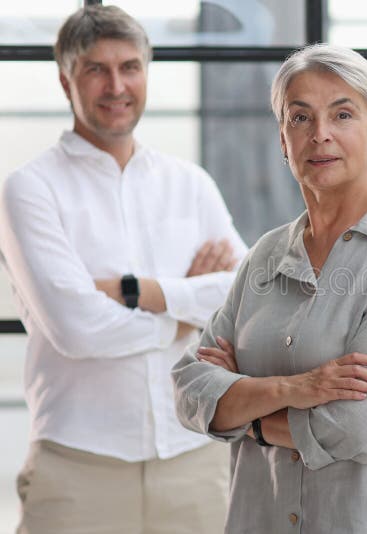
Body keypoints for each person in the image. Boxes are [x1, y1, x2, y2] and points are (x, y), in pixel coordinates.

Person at [171, 43, 367, 534]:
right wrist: (298, 389)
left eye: (342, 114)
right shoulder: (264, 256)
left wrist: (247, 411)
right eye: (300, 118)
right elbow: (191, 391)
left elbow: (362, 427)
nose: (320, 135)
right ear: (283, 139)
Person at [0, 6, 248, 533]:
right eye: (97, 69)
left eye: (130, 67)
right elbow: (78, 329)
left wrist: (142, 293)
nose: (117, 85)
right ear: (66, 80)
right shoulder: (30, 189)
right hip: (77, 466)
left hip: (195, 459)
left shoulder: (191, 183)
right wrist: (186, 316)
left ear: (147, 72)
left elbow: (246, 295)